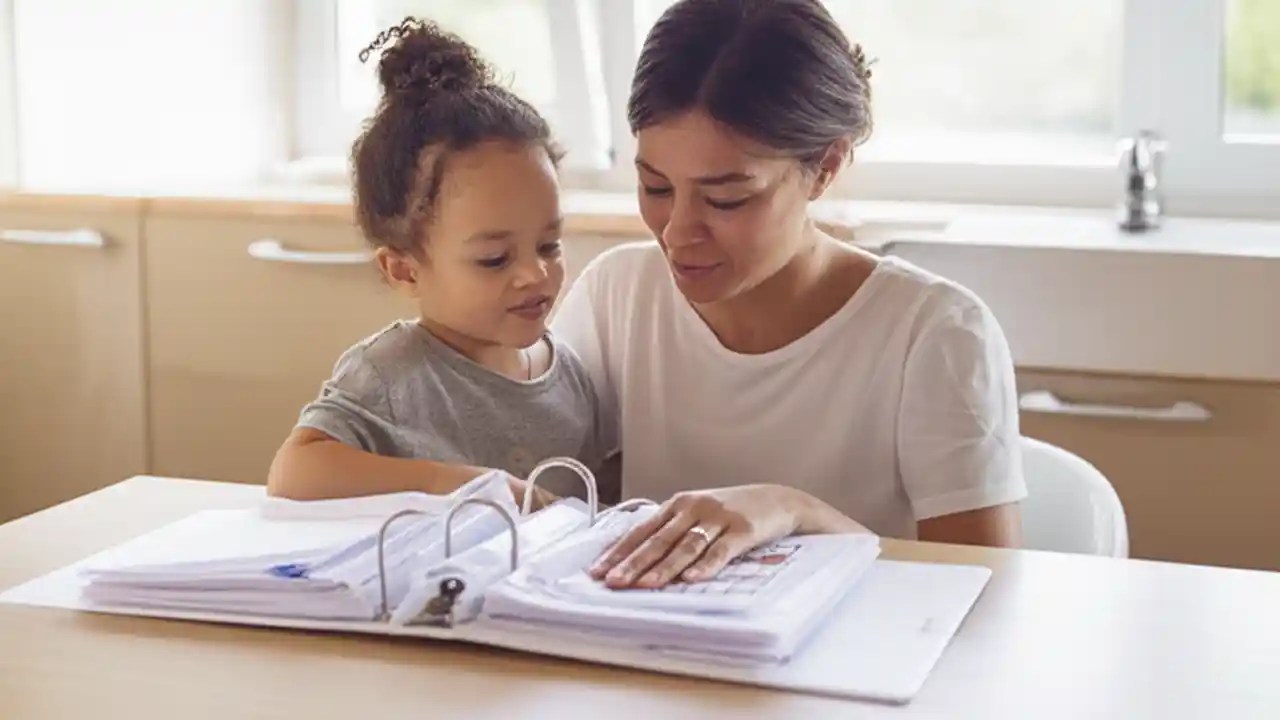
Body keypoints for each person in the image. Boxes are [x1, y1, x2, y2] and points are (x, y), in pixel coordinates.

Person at [551, 0, 1027, 590]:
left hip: (855, 669)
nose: (677, 231)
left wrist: (796, 511)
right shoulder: (617, 294)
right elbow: (534, 501)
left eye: (726, 199)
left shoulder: (934, 333)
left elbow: (983, 590)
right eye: (655, 187)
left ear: (826, 165)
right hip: (651, 665)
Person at [267, 19, 609, 506]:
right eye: (494, 259)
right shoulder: (391, 375)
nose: (535, 274)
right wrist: (455, 484)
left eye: (549, 245)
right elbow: (293, 472)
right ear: (405, 270)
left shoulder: (571, 375)